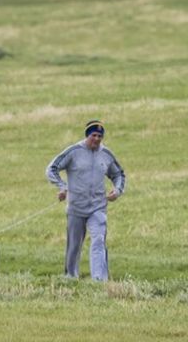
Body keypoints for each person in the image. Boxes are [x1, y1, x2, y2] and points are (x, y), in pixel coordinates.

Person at [45, 119, 126, 281]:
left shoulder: (106, 154)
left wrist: (117, 191)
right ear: (87, 135)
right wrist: (62, 186)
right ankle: (71, 277)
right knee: (74, 246)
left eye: (100, 136)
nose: (96, 139)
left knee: (98, 240)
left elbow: (119, 174)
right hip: (76, 208)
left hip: (98, 207)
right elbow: (51, 168)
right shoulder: (74, 152)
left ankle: (99, 280)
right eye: (94, 135)